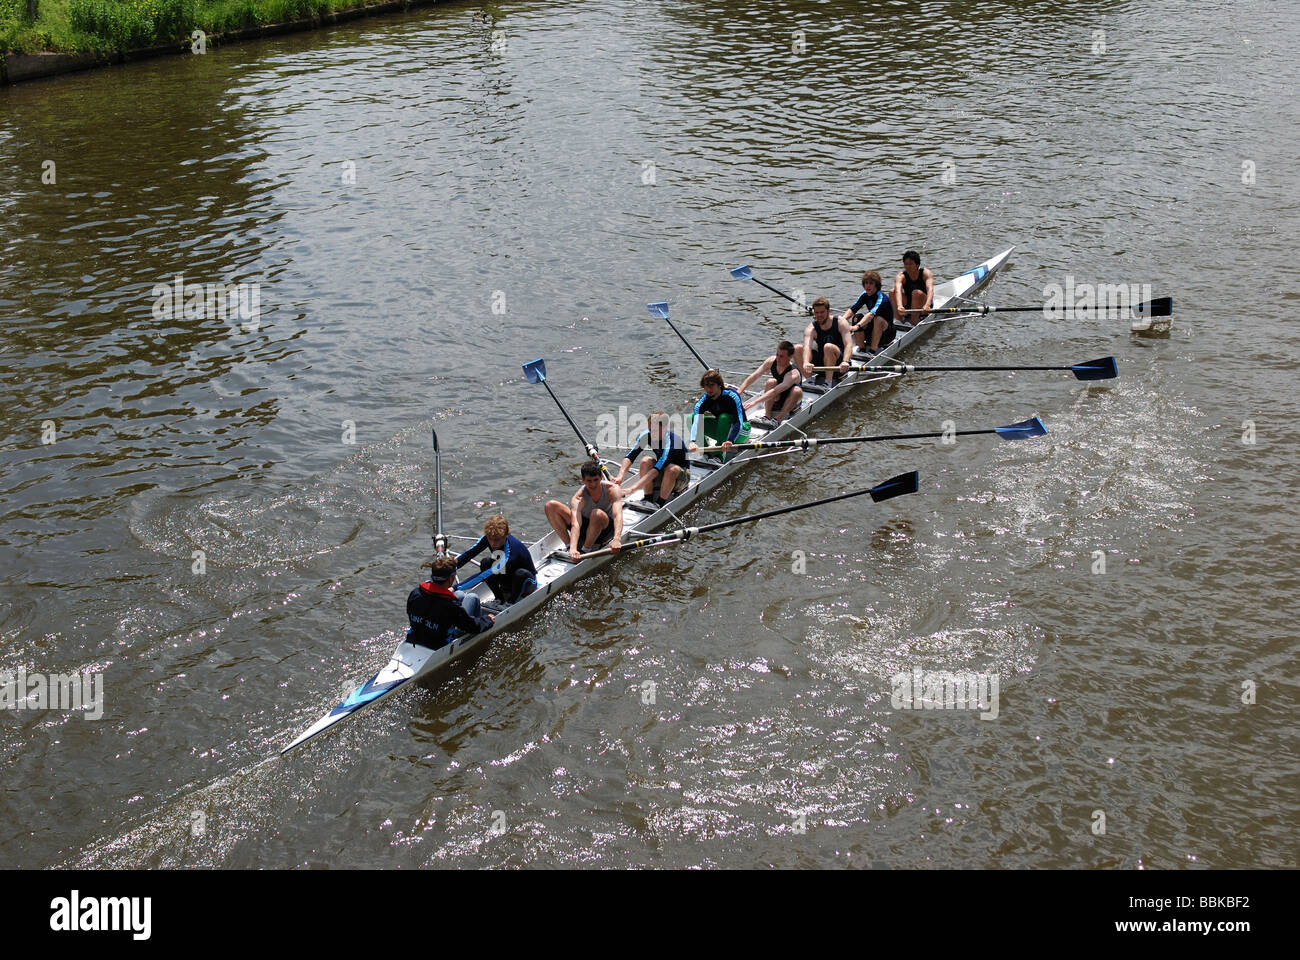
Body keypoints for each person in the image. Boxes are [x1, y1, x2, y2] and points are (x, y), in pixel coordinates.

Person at [407, 555, 494, 650]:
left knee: (460, 594)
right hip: (439, 645)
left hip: (415, 638)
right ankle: (478, 636)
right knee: (472, 597)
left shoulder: (416, 593)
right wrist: (487, 620)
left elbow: (409, 612)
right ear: (451, 578)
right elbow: (470, 626)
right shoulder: (450, 604)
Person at [544, 461, 624, 562]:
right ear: (583, 480)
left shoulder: (612, 490)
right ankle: (569, 547)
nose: (593, 484)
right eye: (589, 481)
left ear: (601, 477)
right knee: (551, 506)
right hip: (585, 527)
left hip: (605, 530)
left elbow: (618, 515)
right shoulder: (579, 498)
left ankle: (585, 550)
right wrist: (573, 548)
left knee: (597, 513)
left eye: (596, 480)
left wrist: (617, 539)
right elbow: (576, 524)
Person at [454, 514, 538, 605]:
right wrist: (449, 570)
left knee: (520, 573)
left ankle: (510, 603)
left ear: (506, 535)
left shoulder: (511, 551)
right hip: (507, 578)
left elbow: (483, 575)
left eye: (497, 540)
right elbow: (469, 554)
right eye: (490, 539)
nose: (493, 543)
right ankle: (499, 598)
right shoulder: (489, 537)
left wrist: (455, 588)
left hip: (527, 583)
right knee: (485, 562)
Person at [613, 411, 689, 506]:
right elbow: (630, 456)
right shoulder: (646, 435)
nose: (652, 433)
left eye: (655, 430)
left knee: (671, 469)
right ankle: (648, 498)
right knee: (645, 461)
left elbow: (656, 471)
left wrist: (631, 489)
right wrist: (620, 476)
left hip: (681, 477)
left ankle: (659, 503)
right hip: (663, 470)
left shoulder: (672, 443)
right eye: (650, 429)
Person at [688, 369, 750, 460]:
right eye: (706, 385)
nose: (708, 389)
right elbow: (696, 422)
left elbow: (738, 422)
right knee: (691, 417)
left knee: (723, 417)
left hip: (742, 430)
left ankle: (719, 456)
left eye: (712, 385)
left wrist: (730, 440)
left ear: (719, 385)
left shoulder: (732, 396)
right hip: (723, 429)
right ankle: (705, 452)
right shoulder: (702, 402)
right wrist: (692, 441)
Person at [737, 339, 803, 423]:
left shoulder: (793, 374)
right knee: (771, 382)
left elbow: (775, 391)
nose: (778, 359)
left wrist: (754, 403)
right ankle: (767, 415)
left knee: (797, 391)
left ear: (790, 357)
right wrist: (739, 392)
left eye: (781, 356)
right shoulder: (771, 361)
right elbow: (754, 375)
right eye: (777, 354)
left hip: (791, 401)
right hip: (778, 397)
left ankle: (778, 419)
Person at [794, 296, 854, 383]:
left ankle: (828, 382)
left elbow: (848, 344)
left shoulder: (840, 322)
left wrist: (845, 361)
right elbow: (807, 347)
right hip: (823, 364)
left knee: (828, 347)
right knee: (796, 348)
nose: (819, 315)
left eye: (822, 312)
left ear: (828, 311)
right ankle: (809, 380)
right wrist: (806, 362)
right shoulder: (811, 328)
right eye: (816, 312)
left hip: (840, 366)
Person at [841, 270, 896, 354]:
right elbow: (852, 309)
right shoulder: (864, 295)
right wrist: (840, 321)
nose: (868, 286)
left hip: (888, 333)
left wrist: (857, 326)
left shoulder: (881, 298)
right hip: (874, 329)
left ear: (876, 285)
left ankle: (872, 351)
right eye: (866, 283)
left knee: (877, 319)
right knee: (857, 317)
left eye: (871, 283)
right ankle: (862, 349)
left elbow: (870, 315)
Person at [892, 250, 934, 325]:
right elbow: (898, 291)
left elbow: (930, 290)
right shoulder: (901, 276)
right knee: (892, 292)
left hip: (924, 304)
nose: (908, 267)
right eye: (906, 264)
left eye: (911, 264)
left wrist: (927, 305)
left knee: (916, 293)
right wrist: (899, 305)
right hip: (909, 303)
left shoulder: (925, 273)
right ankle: (899, 321)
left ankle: (913, 322)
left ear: (917, 265)